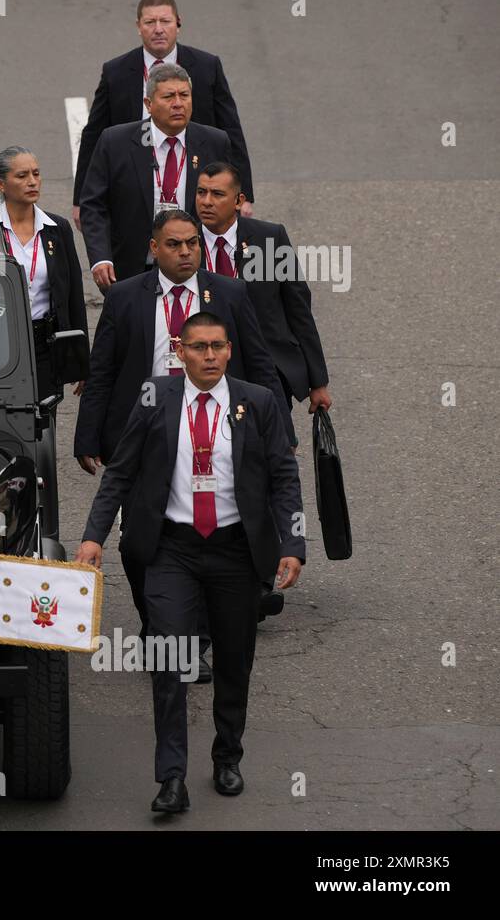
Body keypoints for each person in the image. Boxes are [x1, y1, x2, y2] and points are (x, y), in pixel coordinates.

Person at [75, 312, 304, 812]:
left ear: (228, 350)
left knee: (233, 659)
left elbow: (284, 477)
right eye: (198, 347)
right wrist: (94, 536)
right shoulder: (155, 397)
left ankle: (227, 756)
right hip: (172, 550)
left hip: (236, 552)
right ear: (180, 352)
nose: (209, 357)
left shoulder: (257, 403)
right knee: (170, 661)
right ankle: (171, 778)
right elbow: (120, 472)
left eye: (218, 347)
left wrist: (293, 543)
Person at [73, 209, 292, 649]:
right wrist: (89, 436)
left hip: (212, 428)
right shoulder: (126, 297)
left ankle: (192, 640)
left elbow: (260, 362)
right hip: (144, 434)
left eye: (192, 242)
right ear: (154, 249)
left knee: (205, 542)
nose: (186, 251)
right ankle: (160, 621)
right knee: (139, 544)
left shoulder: (228, 294)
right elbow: (103, 371)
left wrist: (280, 431)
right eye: (174, 244)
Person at [72, 0, 254, 229]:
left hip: (192, 174)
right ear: (139, 26)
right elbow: (94, 135)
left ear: (178, 24)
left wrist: (245, 194)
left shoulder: (206, 67)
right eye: (150, 22)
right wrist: (80, 200)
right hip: (135, 176)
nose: (158, 29)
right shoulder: (115, 72)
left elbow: (231, 130)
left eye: (165, 21)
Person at [79, 63, 232, 293]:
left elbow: (226, 206)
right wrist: (101, 258)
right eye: (169, 96)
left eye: (184, 95)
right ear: (148, 104)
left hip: (194, 267)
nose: (178, 103)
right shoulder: (115, 142)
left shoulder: (214, 142)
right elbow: (93, 205)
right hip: (131, 268)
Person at [195, 162, 332, 413]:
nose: (206, 201)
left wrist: (318, 381)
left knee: (274, 448)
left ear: (238, 201)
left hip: (268, 371)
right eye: (201, 192)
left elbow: (298, 309)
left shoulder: (270, 238)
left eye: (217, 194)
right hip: (204, 370)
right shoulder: (182, 243)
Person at [0, 147, 88, 398]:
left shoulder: (57, 228)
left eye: (36, 174)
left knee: (43, 419)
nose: (32, 182)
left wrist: (79, 358)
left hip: (45, 342)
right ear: (1, 184)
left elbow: (72, 296)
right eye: (22, 176)